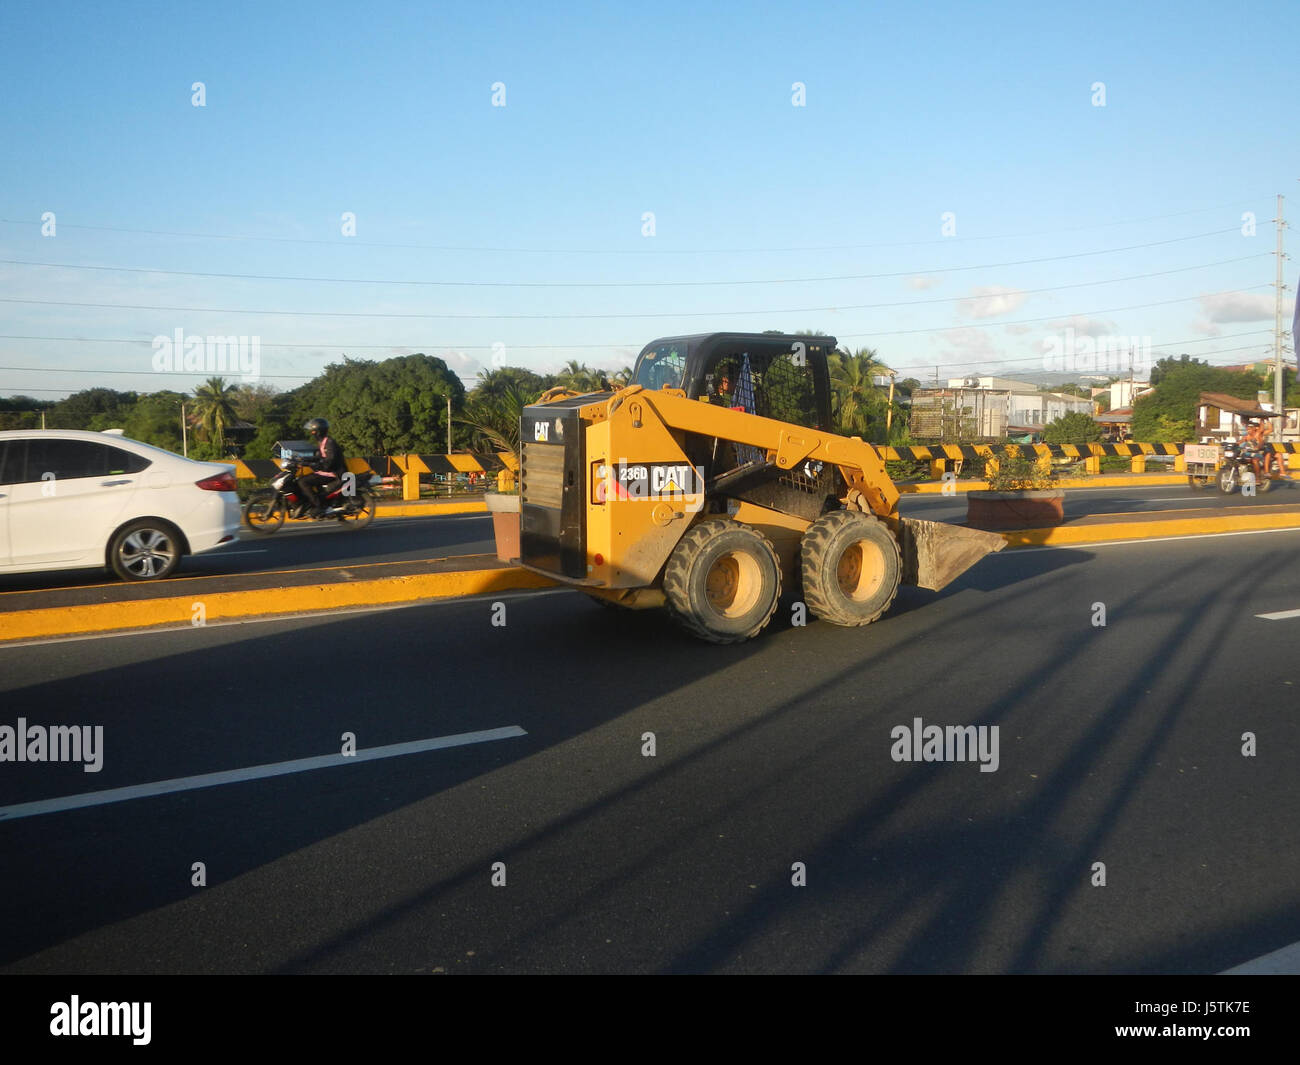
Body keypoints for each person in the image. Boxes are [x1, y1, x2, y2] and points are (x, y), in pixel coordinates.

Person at [297, 418, 346, 518]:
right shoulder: (323, 442)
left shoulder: (329, 442)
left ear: (318, 431)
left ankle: (318, 506)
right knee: (302, 479)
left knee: (303, 482)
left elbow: (329, 460)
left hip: (333, 472)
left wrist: (313, 465)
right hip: (326, 471)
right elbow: (319, 457)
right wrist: (303, 459)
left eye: (313, 431)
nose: (311, 433)